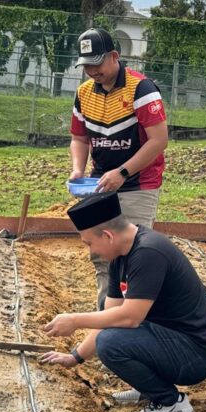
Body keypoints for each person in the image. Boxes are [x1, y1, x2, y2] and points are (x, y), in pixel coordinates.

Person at [40, 191, 206, 412]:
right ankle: (150, 387)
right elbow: (111, 316)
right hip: (169, 341)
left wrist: (75, 320)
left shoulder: (148, 253)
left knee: (111, 343)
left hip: (194, 353)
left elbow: (129, 317)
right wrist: (75, 357)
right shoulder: (120, 258)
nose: (90, 252)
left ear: (107, 235)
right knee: (110, 336)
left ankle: (170, 403)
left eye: (89, 243)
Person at [69, 27, 168, 311]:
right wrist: (78, 168)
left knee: (132, 253)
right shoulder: (84, 93)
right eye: (86, 65)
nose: (92, 71)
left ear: (114, 56)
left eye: (97, 63)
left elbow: (158, 140)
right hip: (100, 184)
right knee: (102, 254)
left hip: (138, 183)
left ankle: (137, 317)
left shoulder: (142, 89)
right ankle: (107, 314)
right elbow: (79, 137)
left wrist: (122, 173)